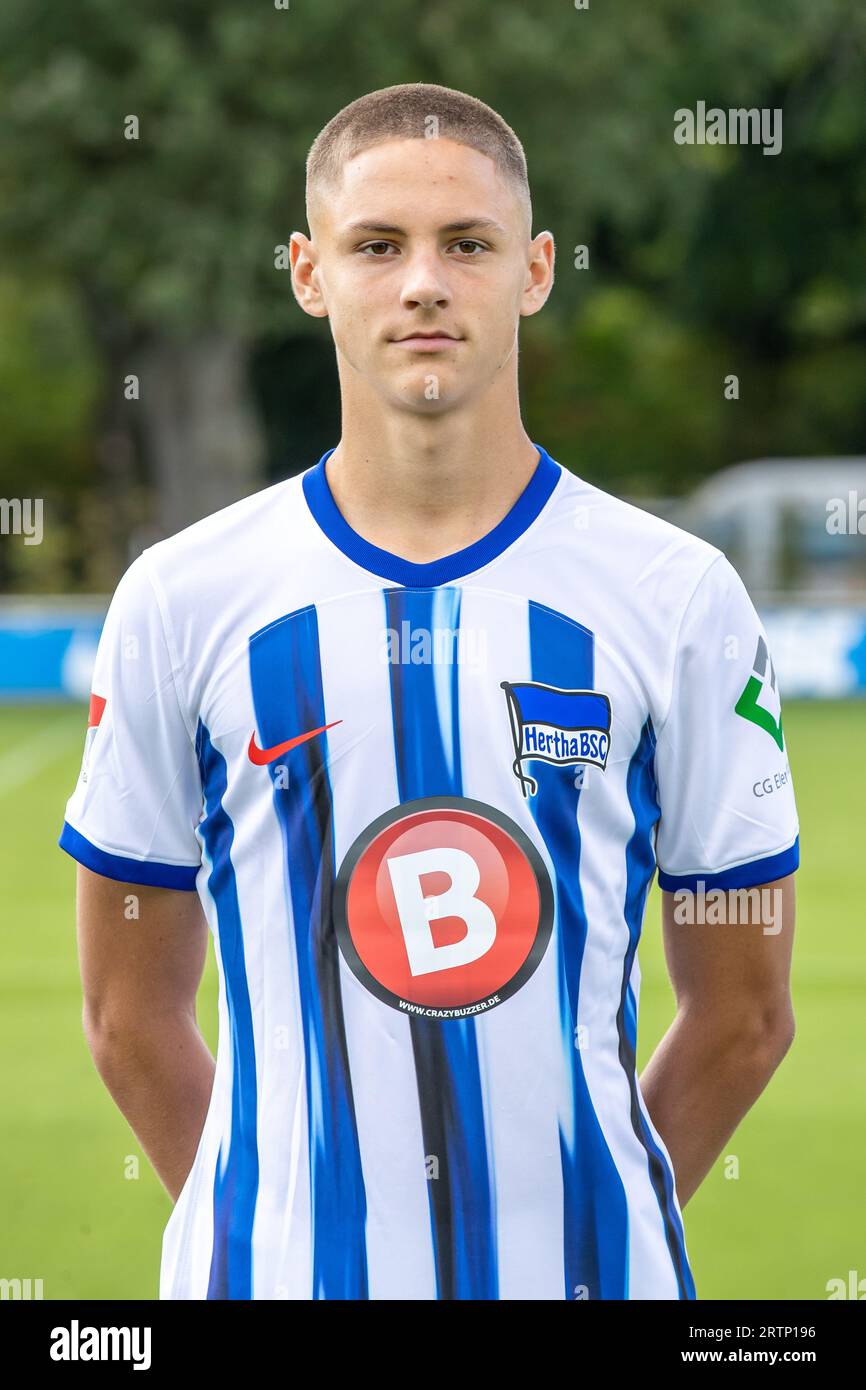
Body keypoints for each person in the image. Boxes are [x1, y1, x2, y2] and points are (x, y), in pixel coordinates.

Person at [59, 82, 799, 1301]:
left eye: (466, 244)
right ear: (307, 272)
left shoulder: (677, 595)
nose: (421, 283)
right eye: (375, 246)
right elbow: (126, 1015)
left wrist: (587, 1223)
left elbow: (742, 1015)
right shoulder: (179, 598)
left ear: (535, 269)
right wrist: (285, 1232)